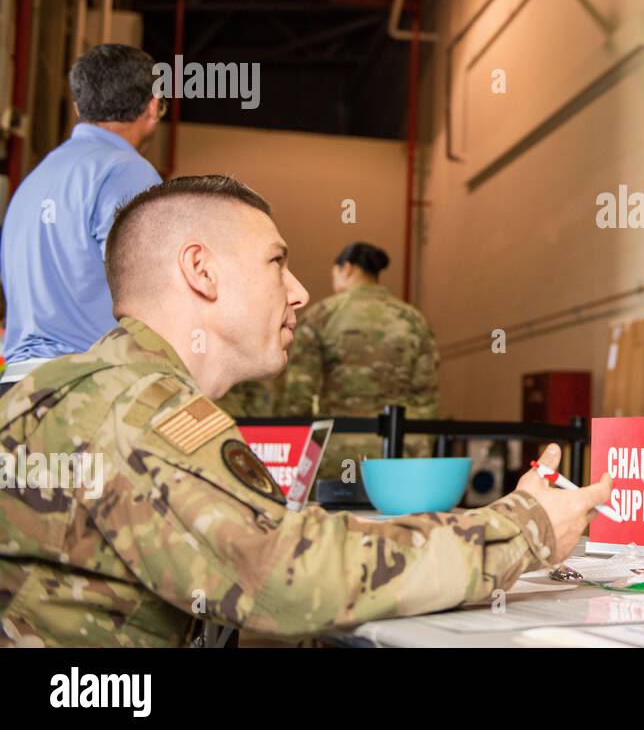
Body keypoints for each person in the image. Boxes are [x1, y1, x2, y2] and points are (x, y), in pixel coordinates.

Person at [0, 175, 610, 646]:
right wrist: (526, 526)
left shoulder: (82, 388)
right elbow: (290, 577)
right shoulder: (139, 413)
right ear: (200, 270)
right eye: (276, 262)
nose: (299, 291)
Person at [0, 44, 164, 396]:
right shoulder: (127, 171)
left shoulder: (35, 180)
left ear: (78, 107)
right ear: (153, 106)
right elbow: (150, 291)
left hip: (17, 390)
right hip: (84, 387)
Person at [279, 242, 439, 479]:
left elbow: (298, 394)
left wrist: (293, 454)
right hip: (397, 454)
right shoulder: (413, 319)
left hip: (334, 452)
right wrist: (419, 447)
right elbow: (426, 396)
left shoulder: (322, 315)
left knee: (331, 516)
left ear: (347, 268)